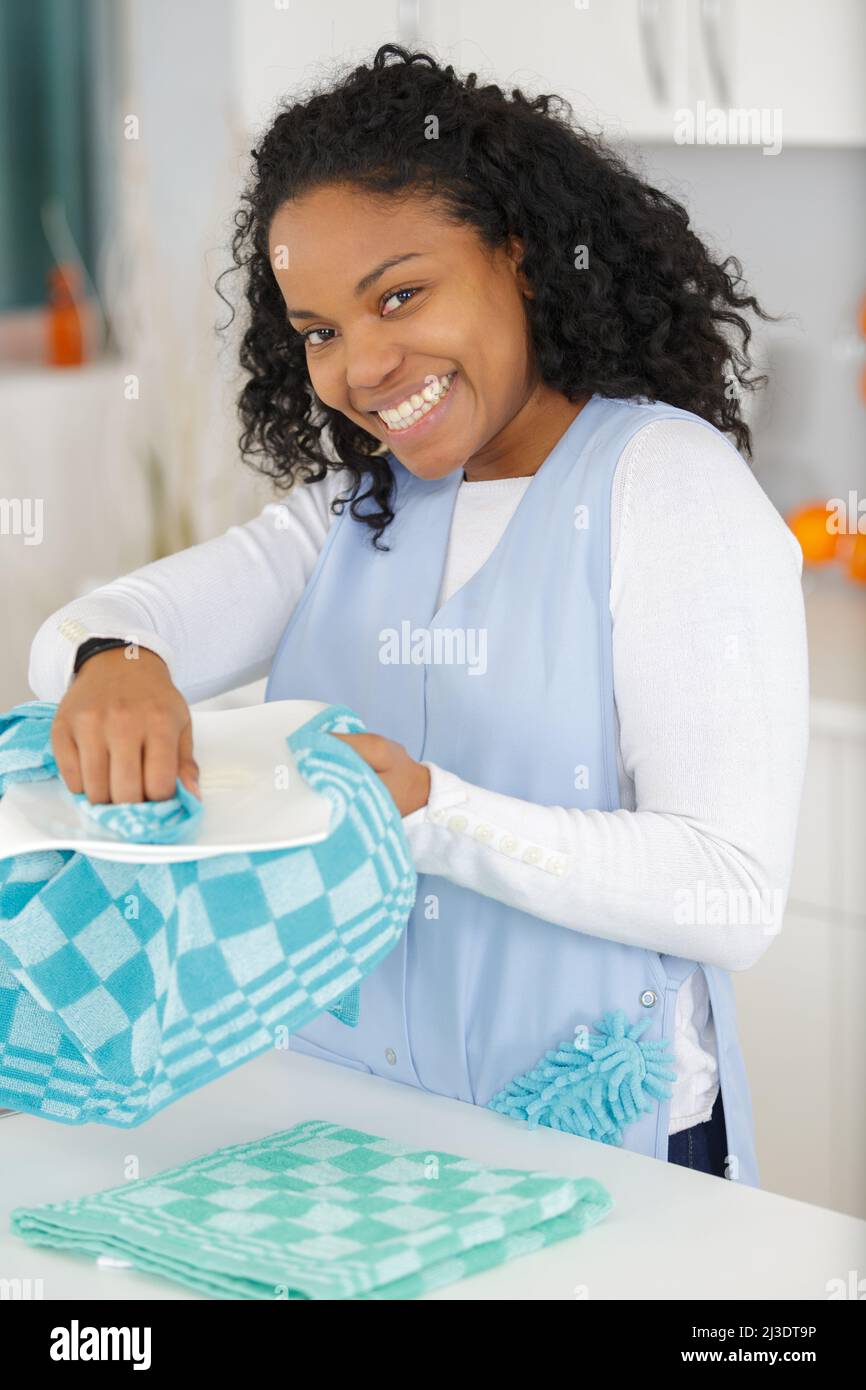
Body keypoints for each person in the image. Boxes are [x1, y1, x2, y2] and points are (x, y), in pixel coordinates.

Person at [29, 44, 809, 1185]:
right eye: (320, 331)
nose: (363, 367)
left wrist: (429, 810)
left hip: (594, 1149)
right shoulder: (356, 506)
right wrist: (113, 659)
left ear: (521, 258)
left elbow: (728, 893)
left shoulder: (663, 486)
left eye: (401, 295)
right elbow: (94, 628)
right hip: (352, 1131)